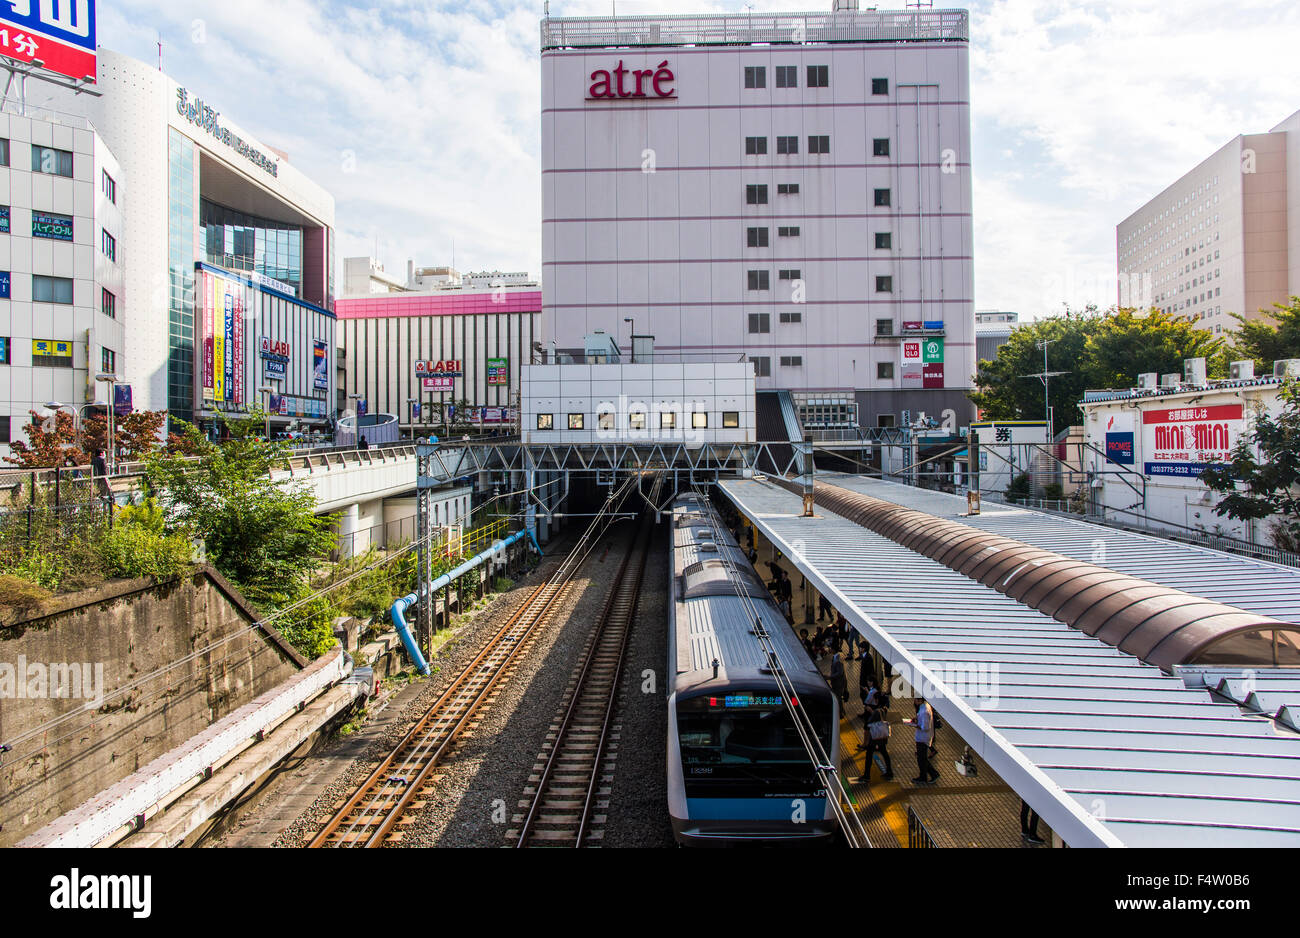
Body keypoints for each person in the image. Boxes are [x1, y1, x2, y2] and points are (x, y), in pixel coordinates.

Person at [911, 697, 940, 784]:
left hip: (923, 738)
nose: (914, 701)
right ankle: (932, 774)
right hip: (923, 737)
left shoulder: (924, 711)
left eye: (915, 700)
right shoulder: (925, 706)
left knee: (921, 759)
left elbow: (925, 727)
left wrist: (914, 724)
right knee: (922, 758)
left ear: (919, 700)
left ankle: (925, 776)